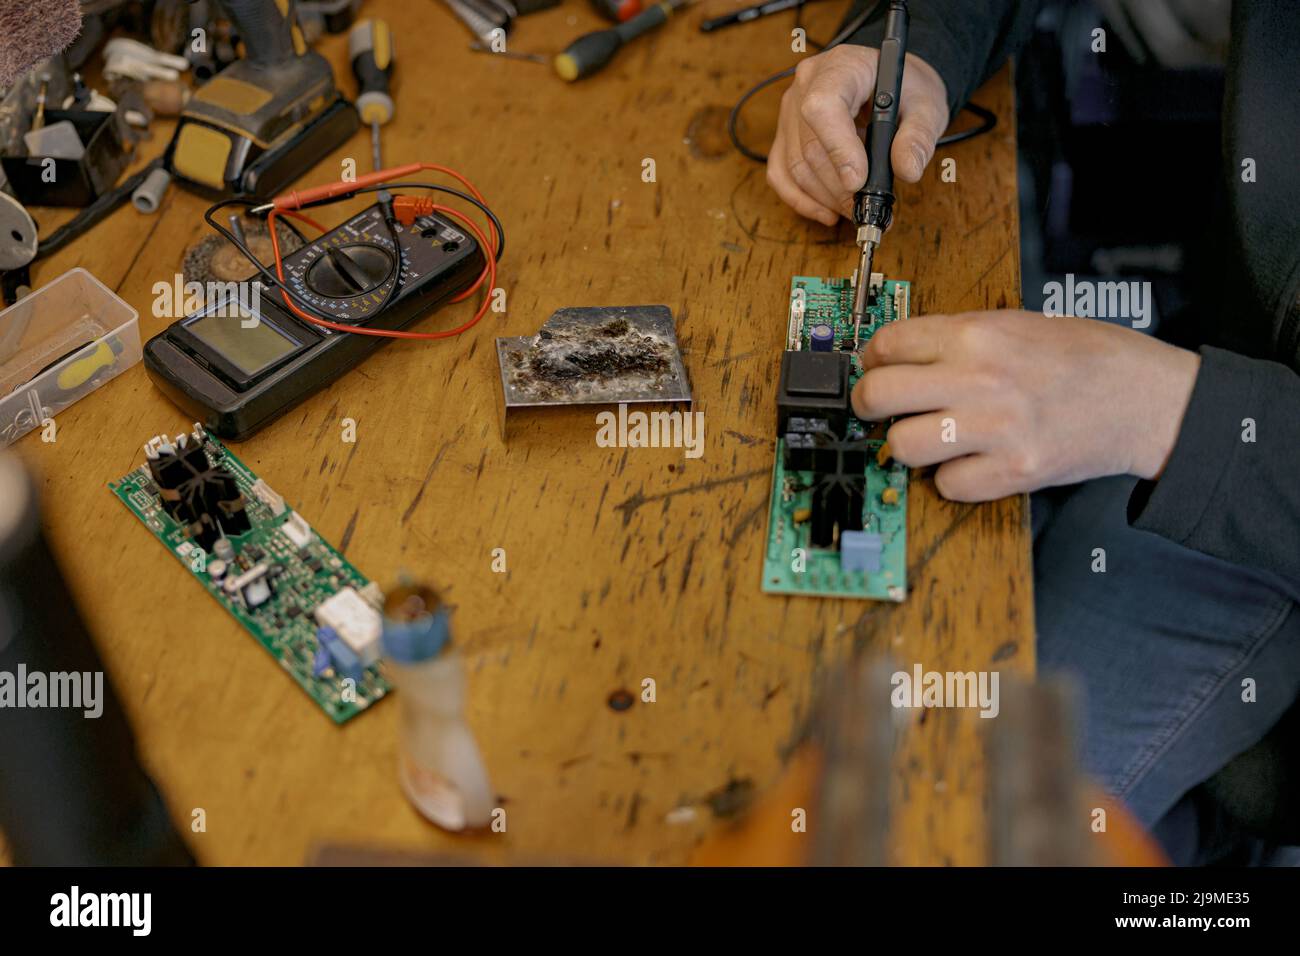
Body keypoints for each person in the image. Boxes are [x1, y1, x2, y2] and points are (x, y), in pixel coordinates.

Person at [766, 0, 1300, 863]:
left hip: (1267, 509)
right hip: (1205, 354)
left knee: (940, 835)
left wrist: (1162, 411)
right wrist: (919, 59)